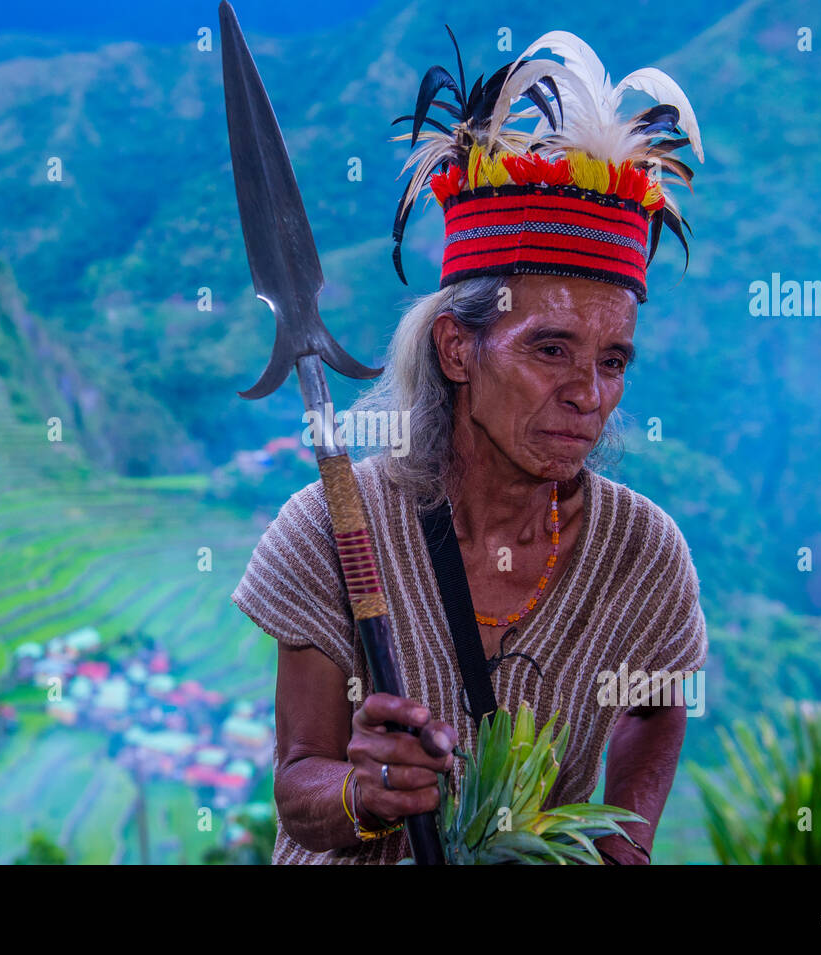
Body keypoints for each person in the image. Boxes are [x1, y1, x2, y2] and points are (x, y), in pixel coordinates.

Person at [232, 27, 707, 864]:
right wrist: (361, 792)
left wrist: (625, 840)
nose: (589, 394)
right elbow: (297, 780)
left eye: (613, 360)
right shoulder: (332, 529)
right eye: (550, 349)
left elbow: (655, 703)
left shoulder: (644, 556)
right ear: (458, 348)